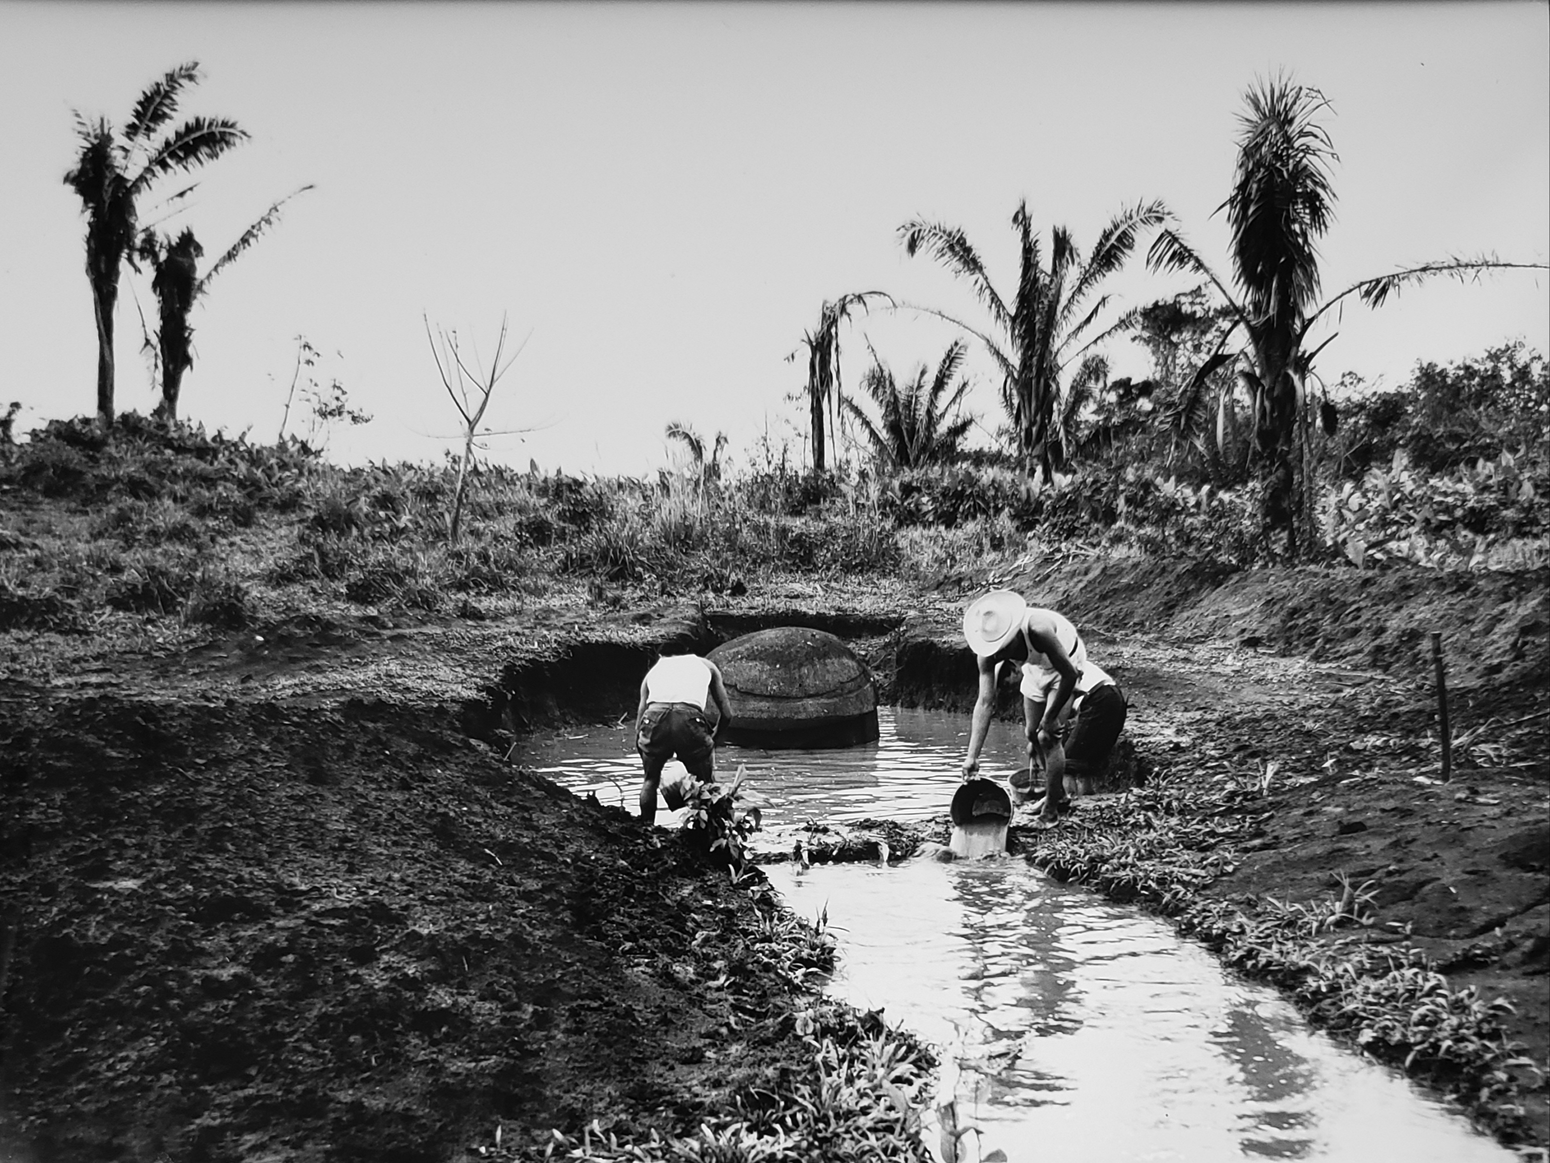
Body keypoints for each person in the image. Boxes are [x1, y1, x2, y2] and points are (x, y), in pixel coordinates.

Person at [959, 589, 1127, 822]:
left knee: (1048, 736)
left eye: (1005, 646)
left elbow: (1068, 674)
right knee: (1031, 733)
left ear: (1015, 632)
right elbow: (985, 702)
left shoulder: (1038, 630)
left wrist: (1050, 718)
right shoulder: (987, 654)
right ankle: (1055, 791)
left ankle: (1052, 806)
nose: (1001, 653)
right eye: (997, 649)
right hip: (1035, 668)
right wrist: (972, 757)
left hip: (1065, 664)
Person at [635, 645, 735, 824]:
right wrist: (714, 739)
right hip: (689, 718)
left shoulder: (654, 671)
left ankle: (646, 828)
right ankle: (707, 831)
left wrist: (646, 750)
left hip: (654, 716)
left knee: (650, 780)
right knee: (705, 784)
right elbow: (727, 714)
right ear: (691, 651)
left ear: (661, 655)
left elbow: (639, 722)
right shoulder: (707, 665)